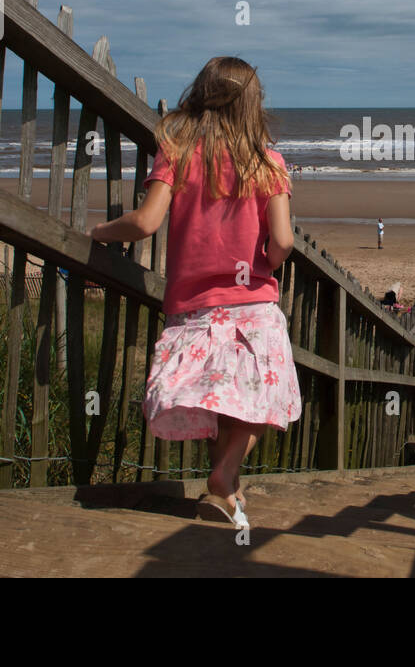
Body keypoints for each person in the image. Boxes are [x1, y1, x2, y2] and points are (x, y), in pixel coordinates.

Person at [89, 56, 299, 530]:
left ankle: (225, 488)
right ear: (252, 105)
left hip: (194, 308)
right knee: (257, 399)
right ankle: (224, 480)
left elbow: (145, 223)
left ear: (201, 96)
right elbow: (283, 241)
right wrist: (267, 257)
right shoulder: (268, 162)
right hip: (253, 304)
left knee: (217, 397)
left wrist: (99, 231)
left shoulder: (179, 152)